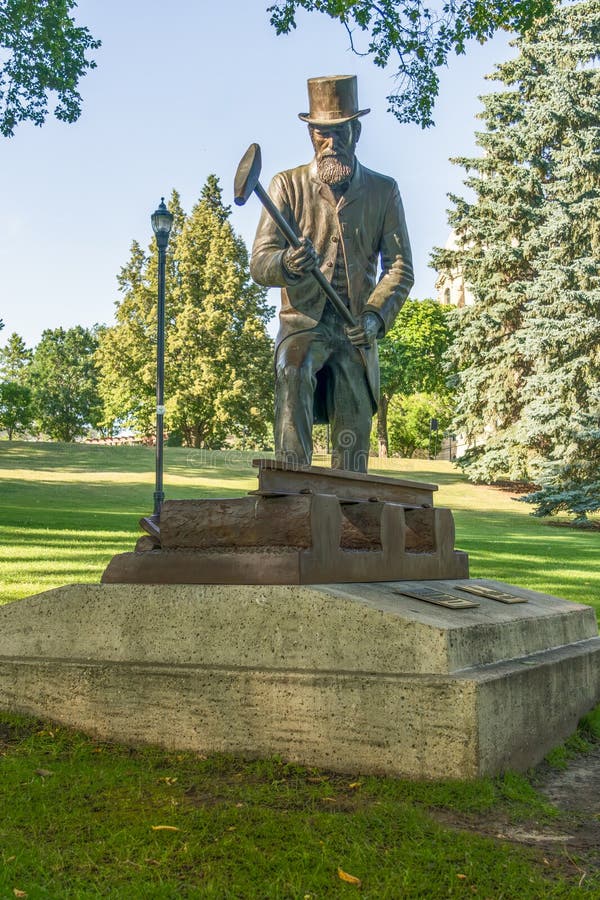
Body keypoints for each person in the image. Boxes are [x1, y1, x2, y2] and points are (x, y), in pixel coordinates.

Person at [250, 75, 414, 472]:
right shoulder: (286, 186)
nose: (331, 142)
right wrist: (286, 264)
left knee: (354, 412)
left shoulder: (383, 191)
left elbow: (399, 267)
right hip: (303, 324)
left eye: (340, 132)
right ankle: (292, 482)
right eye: (322, 133)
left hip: (356, 329)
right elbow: (260, 262)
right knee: (294, 368)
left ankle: (351, 497)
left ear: (356, 132)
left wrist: (374, 318)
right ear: (311, 134)